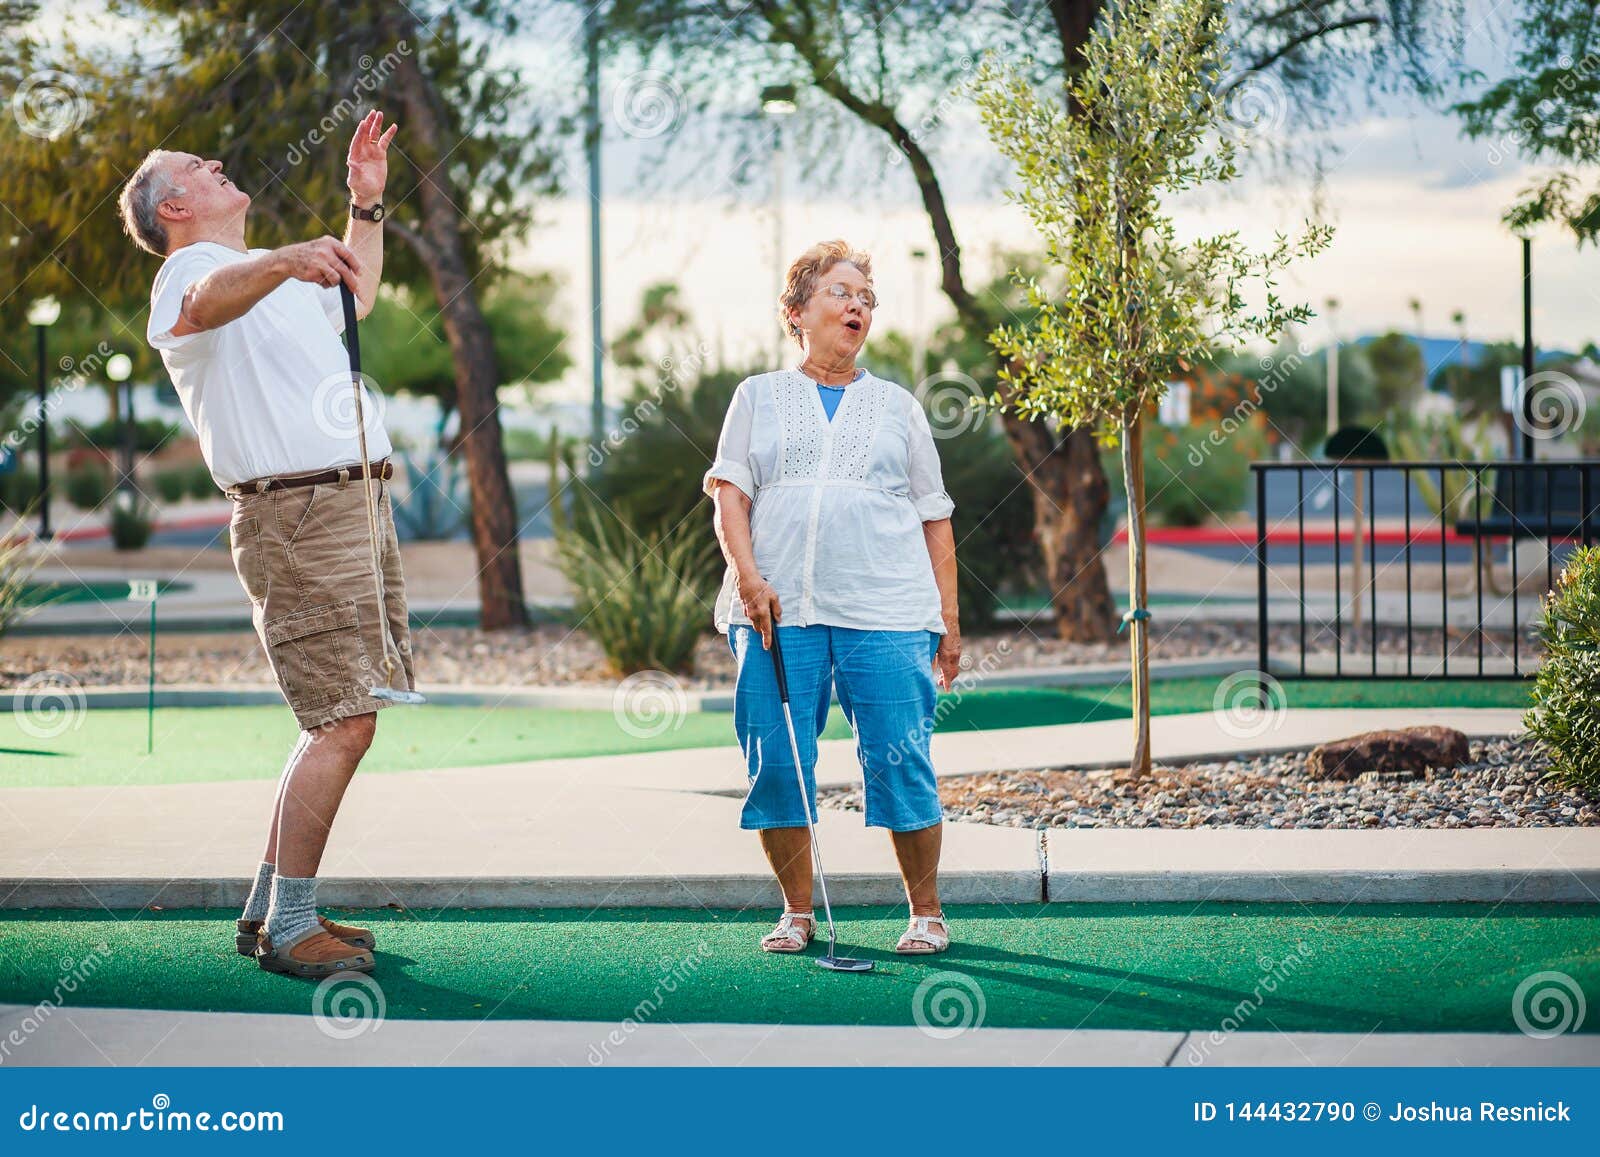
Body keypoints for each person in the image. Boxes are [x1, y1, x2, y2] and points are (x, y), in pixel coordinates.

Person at [119, 111, 411, 979]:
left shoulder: (258, 275)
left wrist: (366, 206)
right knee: (342, 721)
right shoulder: (189, 274)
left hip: (348, 506)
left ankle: (270, 908)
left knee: (338, 715)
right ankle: (291, 928)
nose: (217, 161)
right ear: (174, 207)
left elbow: (354, 292)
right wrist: (288, 257)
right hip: (299, 517)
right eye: (198, 167)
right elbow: (206, 304)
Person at [703, 239, 962, 956]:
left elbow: (933, 513)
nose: (857, 306)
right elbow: (730, 493)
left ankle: (927, 912)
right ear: (797, 311)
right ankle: (796, 910)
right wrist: (749, 577)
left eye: (867, 299)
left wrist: (950, 619)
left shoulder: (897, 406)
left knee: (899, 758)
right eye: (842, 293)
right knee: (778, 763)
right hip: (775, 615)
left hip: (887, 610)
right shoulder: (757, 396)